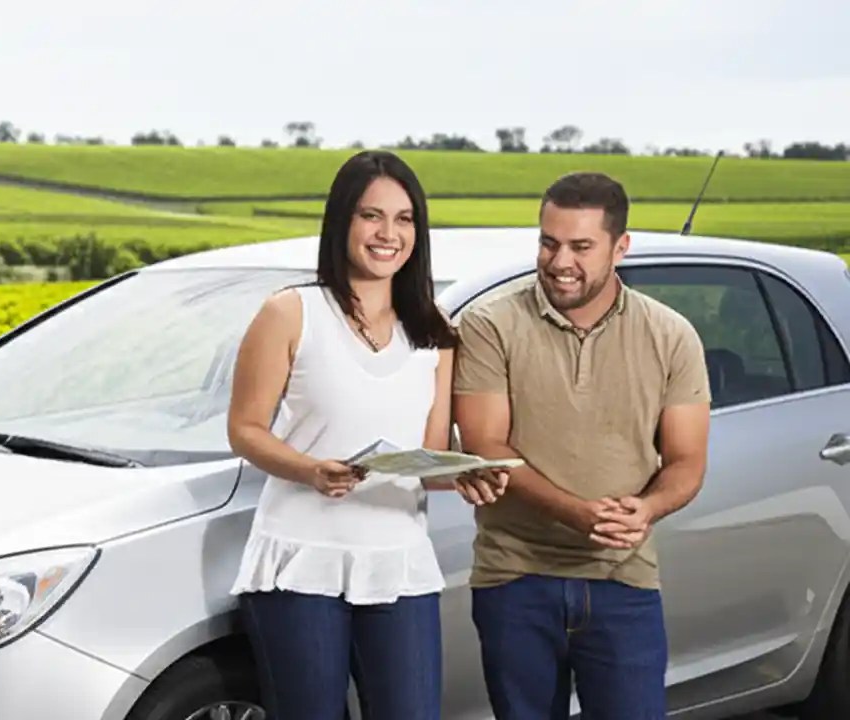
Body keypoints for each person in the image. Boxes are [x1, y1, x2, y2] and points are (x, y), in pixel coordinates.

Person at [226, 149, 505, 720]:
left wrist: (466, 475)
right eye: (371, 215)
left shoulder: (435, 334)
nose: (388, 233)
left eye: (404, 219)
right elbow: (245, 428)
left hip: (397, 558)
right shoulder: (291, 312)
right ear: (342, 222)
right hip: (301, 558)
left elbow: (426, 455)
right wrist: (309, 469)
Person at [451, 171, 712, 719]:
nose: (559, 260)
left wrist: (648, 507)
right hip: (514, 577)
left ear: (621, 247)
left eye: (580, 246)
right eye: (549, 242)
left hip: (624, 578)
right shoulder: (489, 325)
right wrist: (576, 514)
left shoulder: (671, 336)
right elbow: (484, 441)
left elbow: (686, 460)